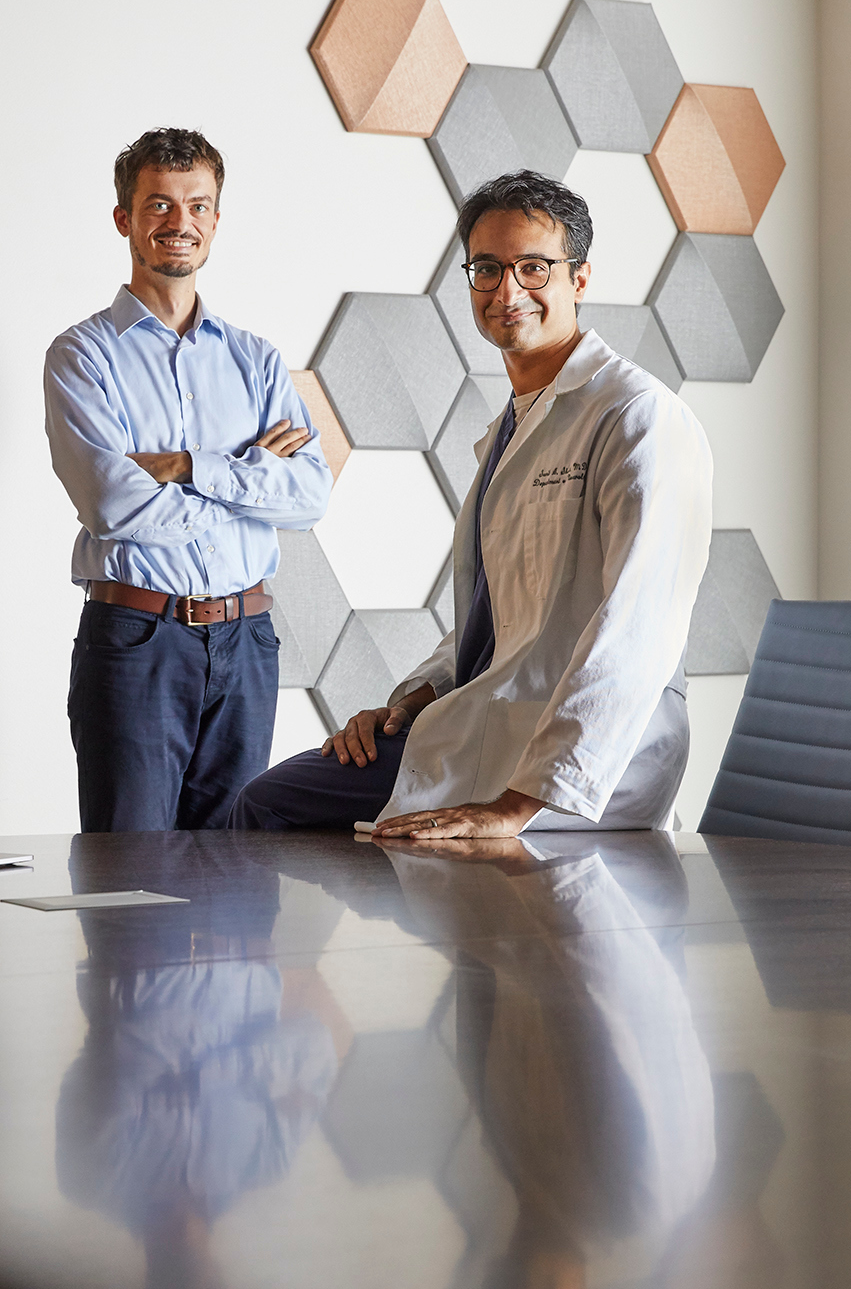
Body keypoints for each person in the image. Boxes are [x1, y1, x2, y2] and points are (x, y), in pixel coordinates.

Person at [231, 168, 712, 838]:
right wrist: (408, 706)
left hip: (587, 761)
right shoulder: (513, 428)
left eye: (534, 268)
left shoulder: (637, 417)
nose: (506, 290)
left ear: (579, 279)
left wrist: (512, 808)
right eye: (486, 269)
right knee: (272, 801)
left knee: (272, 808)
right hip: (496, 722)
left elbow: (637, 631)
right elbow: (501, 622)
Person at [45, 127, 332, 832]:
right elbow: (111, 504)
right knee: (131, 876)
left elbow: (309, 497)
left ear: (215, 220)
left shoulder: (256, 362)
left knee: (234, 879)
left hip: (247, 639)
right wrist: (245, 482)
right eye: (159, 206)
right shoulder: (82, 356)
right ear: (125, 220)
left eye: (198, 206)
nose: (181, 223)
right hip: (137, 637)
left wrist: (183, 468)